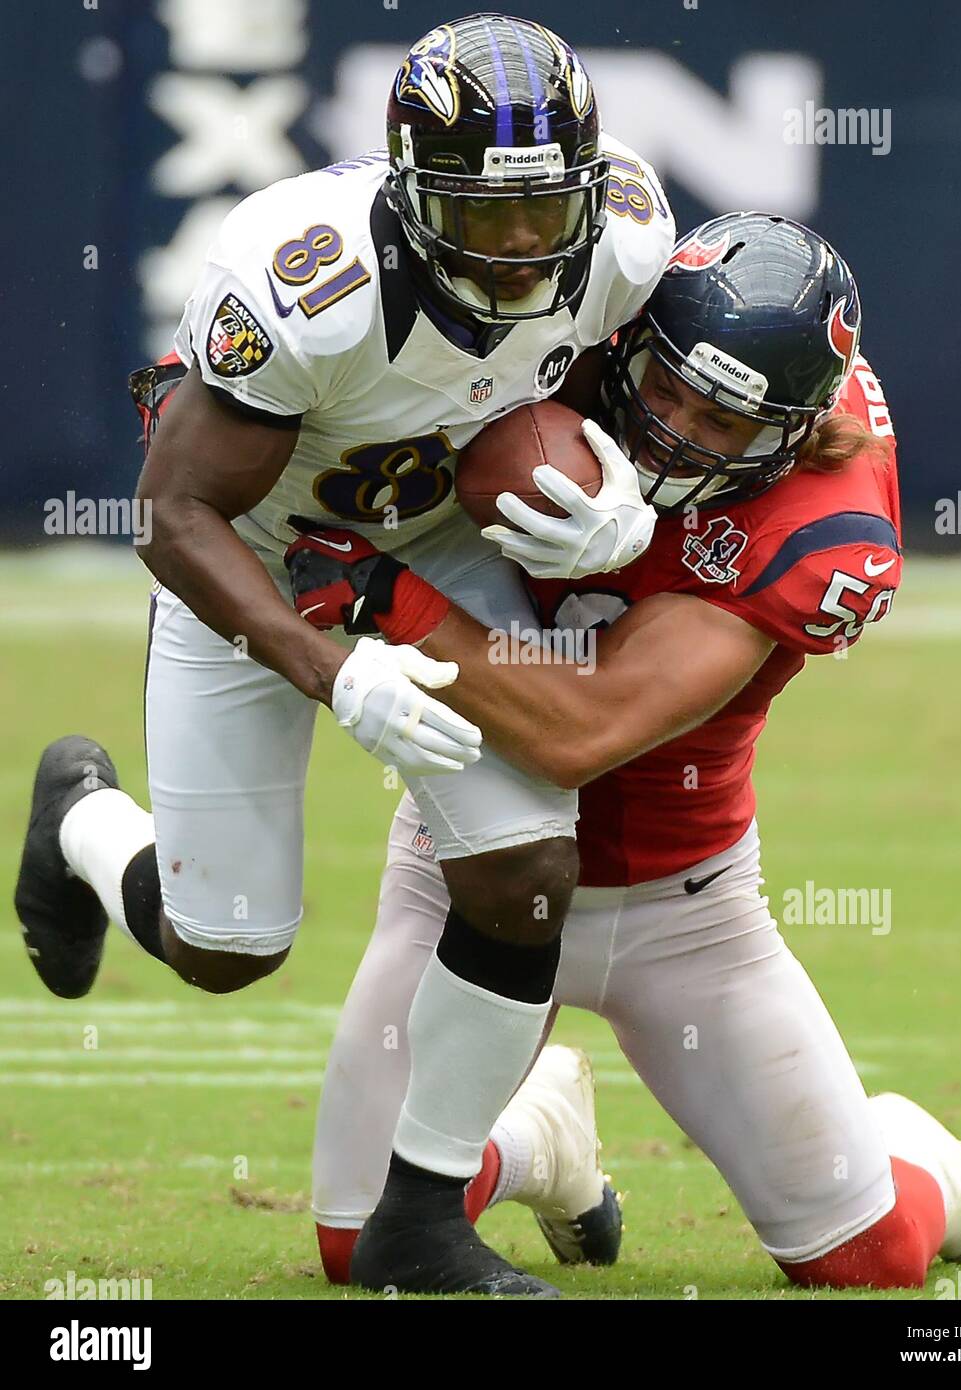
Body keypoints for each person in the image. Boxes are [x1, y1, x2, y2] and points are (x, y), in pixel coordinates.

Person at [12, 15, 673, 1297]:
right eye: (489, 218)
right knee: (224, 946)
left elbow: (632, 382)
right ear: (416, 198)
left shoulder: (630, 231)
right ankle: (83, 821)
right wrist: (331, 667)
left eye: (548, 212)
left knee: (527, 864)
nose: (528, 247)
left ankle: (417, 1218)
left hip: (437, 538)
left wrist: (623, 485)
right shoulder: (301, 282)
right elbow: (172, 512)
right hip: (257, 559)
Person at [295, 214, 961, 1293]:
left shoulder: (818, 521)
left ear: (787, 436)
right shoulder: (553, 348)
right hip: (475, 878)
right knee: (359, 1242)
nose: (668, 432)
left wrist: (388, 597)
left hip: (683, 911)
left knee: (864, 1262)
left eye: (722, 422)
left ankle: (923, 1158)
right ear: (626, 340)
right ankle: (543, 1137)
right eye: (666, 385)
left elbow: (581, 731)